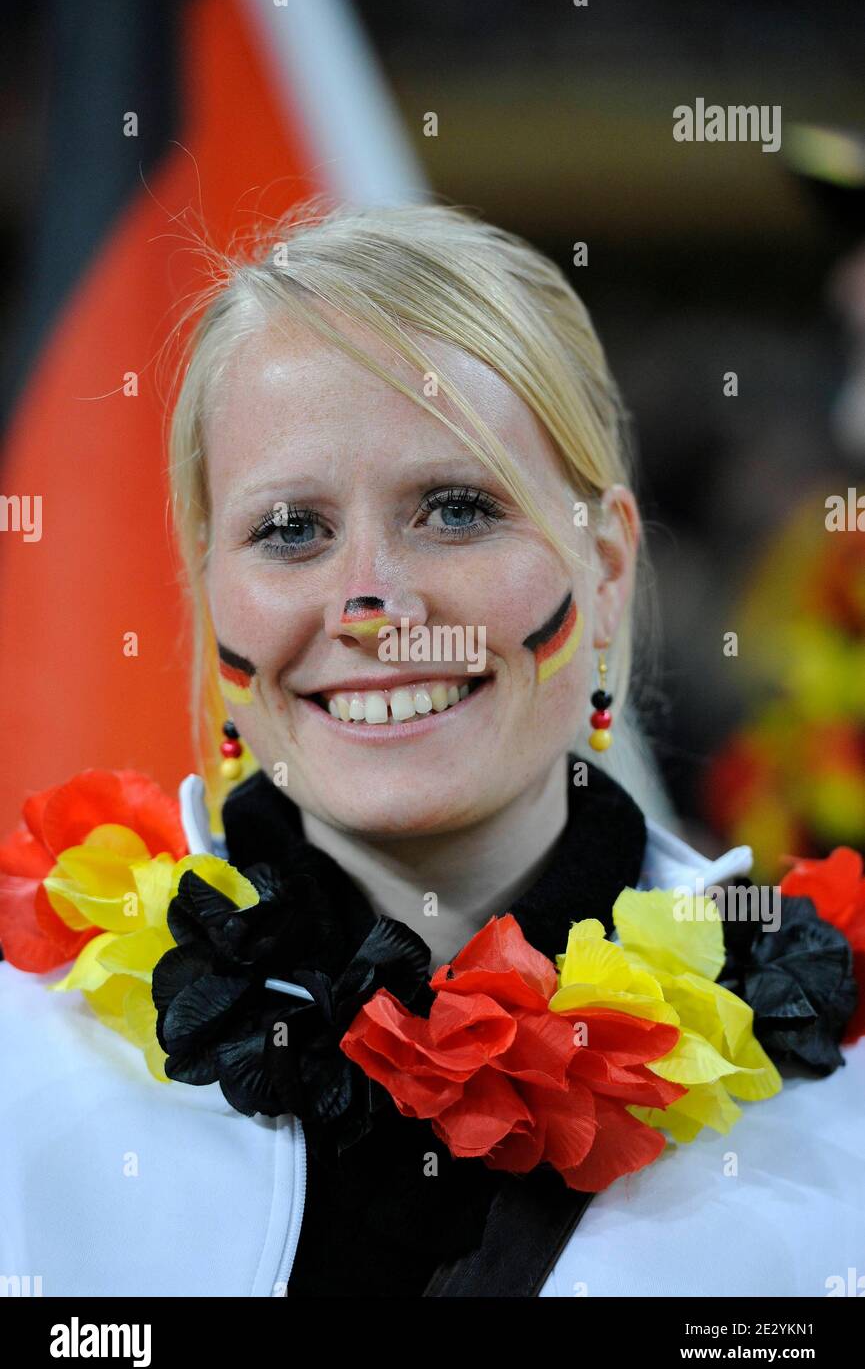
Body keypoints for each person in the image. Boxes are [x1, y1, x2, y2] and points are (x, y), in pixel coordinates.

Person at [0, 201, 862, 1299]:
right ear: (207, 589)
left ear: (603, 569)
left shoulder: (832, 1096)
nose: (372, 603)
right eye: (290, 530)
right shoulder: (20, 1063)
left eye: (454, 510)